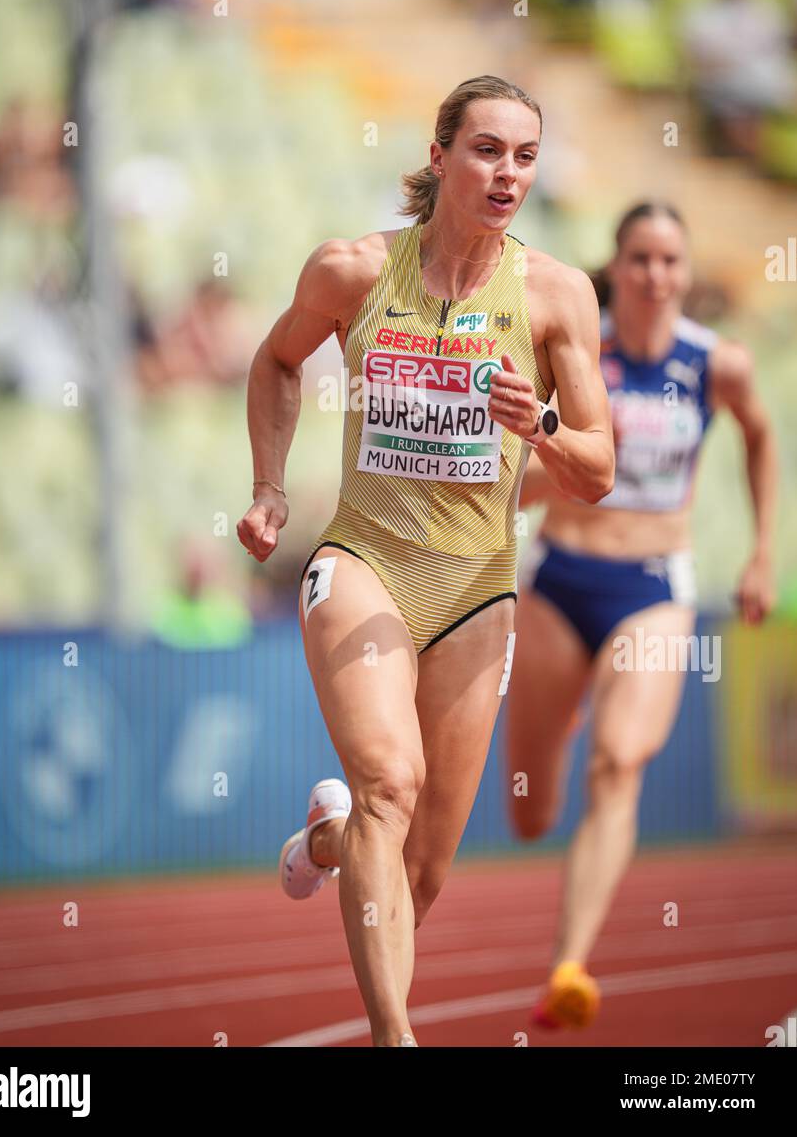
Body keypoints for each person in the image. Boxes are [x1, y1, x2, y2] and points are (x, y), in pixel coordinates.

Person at [236, 75, 614, 1047]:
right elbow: (277, 359)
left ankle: (321, 840)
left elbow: (597, 470)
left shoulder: (556, 295)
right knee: (387, 787)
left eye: (525, 156)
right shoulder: (353, 271)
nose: (507, 173)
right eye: (487, 149)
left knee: (420, 866)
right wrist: (270, 486)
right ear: (439, 154)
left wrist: (543, 428)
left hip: (475, 587)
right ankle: (395, 1040)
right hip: (363, 557)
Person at [506, 201, 777, 1029]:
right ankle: (564, 712)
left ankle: (568, 967)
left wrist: (763, 551)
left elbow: (760, 436)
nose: (656, 276)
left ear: (686, 275)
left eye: (670, 261)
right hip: (559, 582)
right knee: (530, 813)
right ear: (614, 269)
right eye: (640, 260)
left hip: (654, 586)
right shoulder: (577, 356)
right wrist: (563, 449)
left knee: (620, 764)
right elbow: (516, 480)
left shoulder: (715, 364)